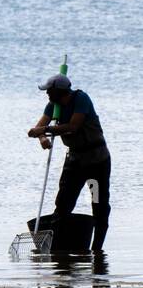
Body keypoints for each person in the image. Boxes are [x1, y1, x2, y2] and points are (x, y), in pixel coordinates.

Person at [27, 73, 110, 252]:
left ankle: (97, 251)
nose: (47, 94)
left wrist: (46, 130)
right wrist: (42, 138)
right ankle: (59, 249)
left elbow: (73, 126)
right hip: (75, 161)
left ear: (60, 91)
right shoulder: (53, 105)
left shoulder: (81, 99)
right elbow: (38, 127)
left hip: (96, 162)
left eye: (50, 91)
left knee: (99, 204)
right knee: (63, 203)